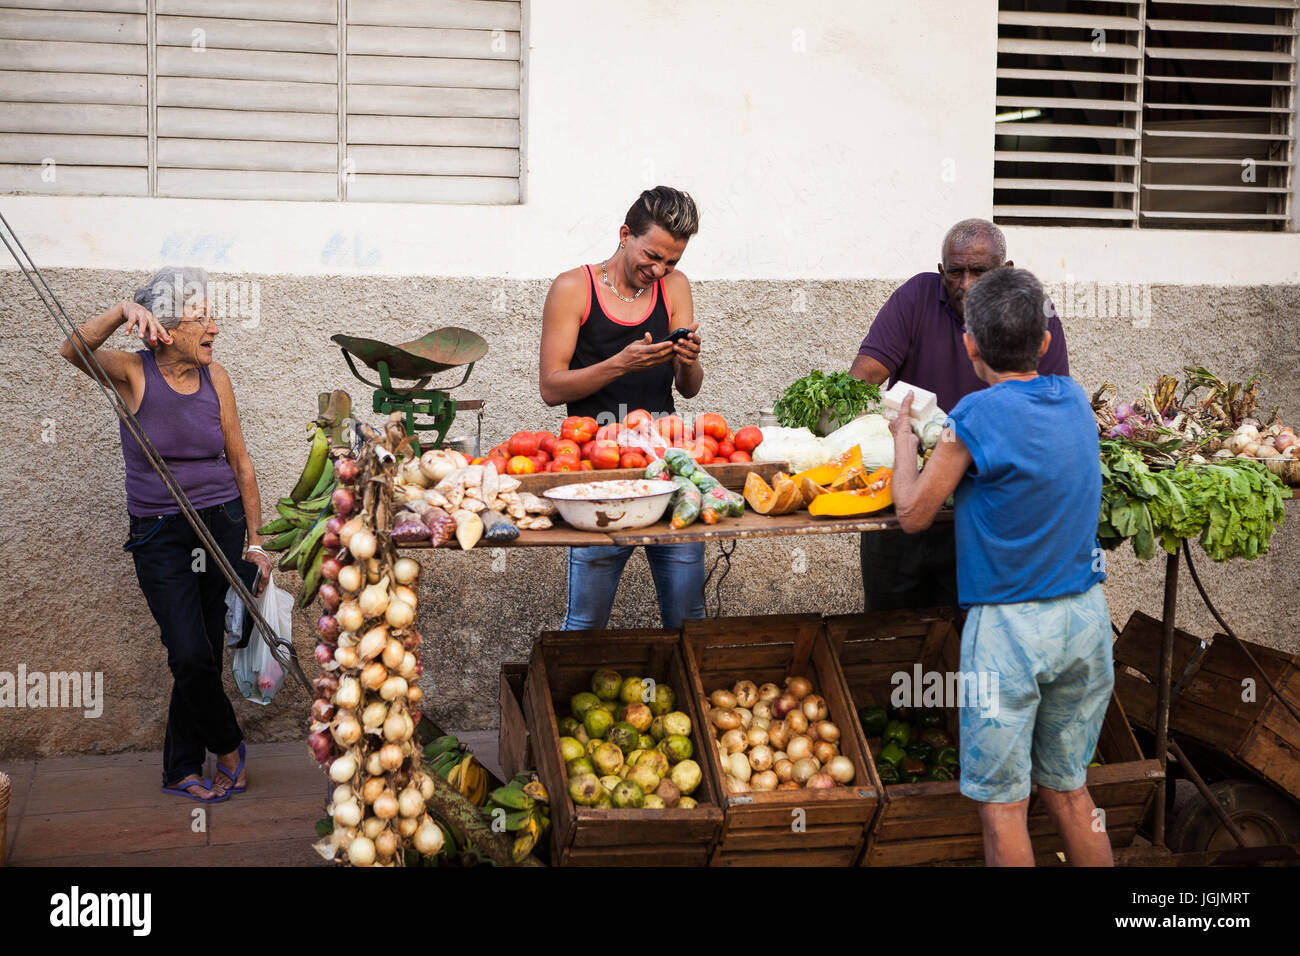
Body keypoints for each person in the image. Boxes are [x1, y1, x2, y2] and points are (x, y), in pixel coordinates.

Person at [888, 267, 1113, 867]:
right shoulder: (1074, 399)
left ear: (970, 344)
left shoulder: (974, 417)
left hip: (1013, 631)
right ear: (1044, 343)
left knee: (1002, 805)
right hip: (1086, 620)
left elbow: (912, 514)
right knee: (1069, 788)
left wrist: (905, 443)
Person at [58, 266, 271, 803]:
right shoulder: (133, 372)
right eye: (201, 319)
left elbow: (241, 461)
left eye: (213, 317)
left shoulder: (215, 377)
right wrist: (120, 311)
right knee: (189, 653)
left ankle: (179, 768)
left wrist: (256, 541)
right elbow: (71, 349)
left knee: (201, 649)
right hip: (159, 535)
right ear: (167, 327)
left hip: (219, 525)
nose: (215, 329)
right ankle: (227, 747)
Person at [850, 218, 1070, 612]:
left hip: (979, 521)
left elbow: (1039, 424)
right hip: (905, 510)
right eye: (955, 272)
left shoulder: (1031, 321)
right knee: (888, 635)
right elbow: (863, 377)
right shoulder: (917, 297)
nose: (966, 284)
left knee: (958, 636)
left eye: (979, 272)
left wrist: (905, 440)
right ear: (941, 272)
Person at [539, 186, 705, 630]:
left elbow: (688, 390)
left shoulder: (675, 289)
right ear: (625, 233)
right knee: (586, 622)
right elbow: (552, 388)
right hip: (599, 471)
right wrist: (619, 364)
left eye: (671, 262)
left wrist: (688, 362)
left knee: (688, 619)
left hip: (667, 466)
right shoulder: (574, 288)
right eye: (651, 255)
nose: (659, 269)